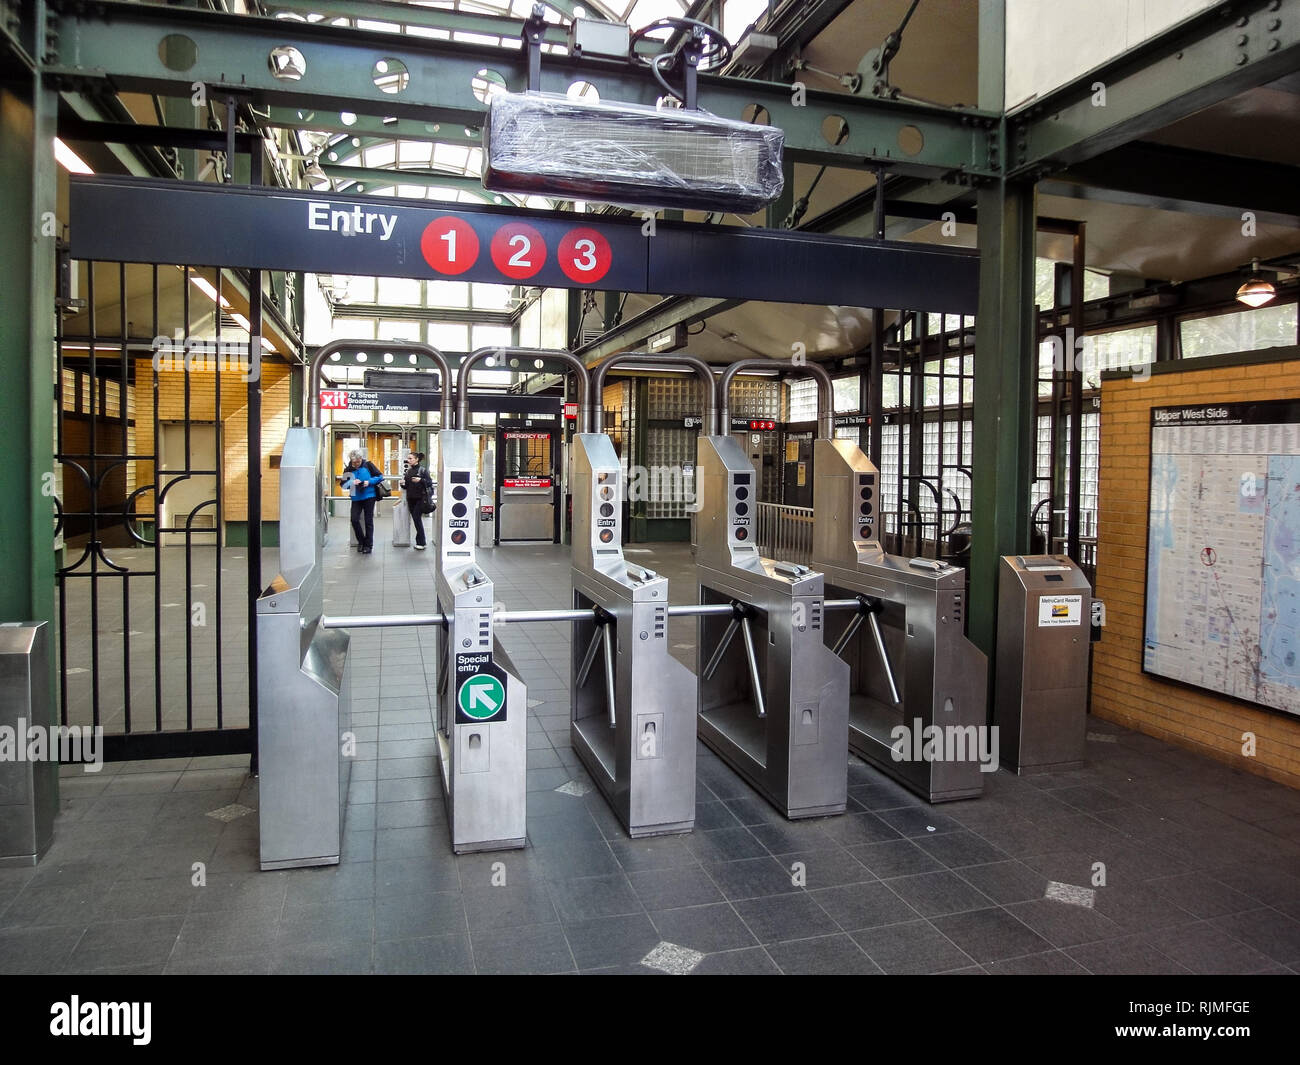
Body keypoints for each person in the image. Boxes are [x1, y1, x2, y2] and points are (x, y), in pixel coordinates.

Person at [340, 449, 383, 554]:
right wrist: (352, 482)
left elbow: (380, 476)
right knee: (354, 519)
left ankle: (368, 545)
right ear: (351, 460)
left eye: (358, 462)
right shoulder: (348, 470)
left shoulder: (368, 465)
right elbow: (343, 485)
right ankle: (361, 541)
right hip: (356, 497)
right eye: (354, 462)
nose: (356, 464)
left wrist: (369, 482)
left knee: (369, 521)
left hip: (369, 496)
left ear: (361, 459)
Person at [402, 450, 435, 550]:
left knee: (416, 518)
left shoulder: (423, 470)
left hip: (421, 499)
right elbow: (407, 486)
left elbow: (429, 483)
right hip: (411, 499)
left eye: (410, 458)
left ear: (416, 459)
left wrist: (420, 480)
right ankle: (420, 541)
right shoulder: (408, 471)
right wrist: (403, 484)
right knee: (416, 520)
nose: (409, 460)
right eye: (408, 458)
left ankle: (421, 542)